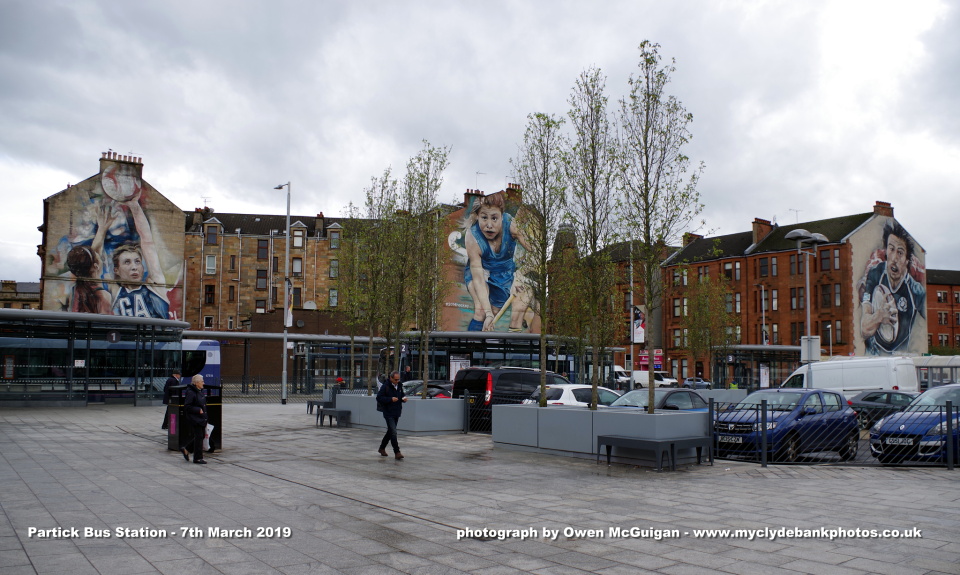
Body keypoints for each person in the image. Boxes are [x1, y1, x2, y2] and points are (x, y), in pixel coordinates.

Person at [462, 192, 534, 332]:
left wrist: (520, 276)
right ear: (477, 216)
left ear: (502, 216)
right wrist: (487, 313)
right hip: (480, 272)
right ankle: (470, 348)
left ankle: (484, 347)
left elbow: (536, 250)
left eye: (494, 218)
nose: (489, 225)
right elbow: (478, 278)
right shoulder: (472, 237)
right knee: (482, 311)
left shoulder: (512, 226)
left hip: (504, 274)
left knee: (494, 314)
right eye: (484, 218)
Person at [859, 220, 926, 355]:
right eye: (891, 249)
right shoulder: (875, 274)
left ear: (907, 260)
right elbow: (864, 329)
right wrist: (879, 316)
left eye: (900, 252)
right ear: (886, 251)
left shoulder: (916, 291)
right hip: (873, 357)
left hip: (899, 361)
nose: (894, 257)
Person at [375, 370, 407, 460]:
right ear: (391, 378)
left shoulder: (399, 385)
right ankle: (397, 452)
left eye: (398, 379)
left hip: (397, 411)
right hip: (388, 412)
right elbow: (379, 397)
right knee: (393, 432)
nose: (397, 381)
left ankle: (381, 448)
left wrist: (403, 398)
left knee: (390, 431)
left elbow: (401, 395)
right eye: (396, 380)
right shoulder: (386, 386)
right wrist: (390, 399)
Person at [181, 374, 208, 465]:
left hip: (200, 418)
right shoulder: (191, 392)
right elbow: (187, 406)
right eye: (202, 381)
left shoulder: (198, 391)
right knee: (199, 437)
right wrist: (198, 410)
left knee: (201, 436)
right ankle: (197, 458)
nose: (203, 383)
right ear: (196, 383)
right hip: (195, 418)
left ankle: (187, 449)